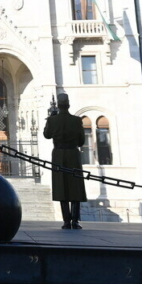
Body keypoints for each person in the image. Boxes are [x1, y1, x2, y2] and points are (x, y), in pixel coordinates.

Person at [43, 92, 87, 229]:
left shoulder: (52, 120)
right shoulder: (76, 120)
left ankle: (66, 221)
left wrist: (51, 118)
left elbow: (46, 135)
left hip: (58, 154)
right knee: (75, 187)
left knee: (61, 187)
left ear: (59, 105)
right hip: (73, 154)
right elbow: (81, 141)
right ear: (68, 105)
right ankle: (75, 220)